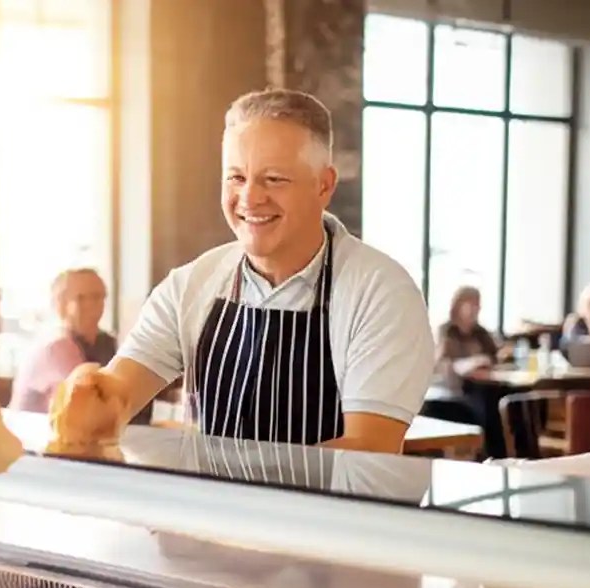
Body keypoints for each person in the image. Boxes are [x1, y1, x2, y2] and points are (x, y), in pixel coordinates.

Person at [87, 88, 434, 453]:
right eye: (236, 177)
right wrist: (91, 396)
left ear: (324, 185)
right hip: (216, 508)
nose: (250, 198)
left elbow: (368, 451)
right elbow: (117, 394)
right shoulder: (191, 285)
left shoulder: (381, 294)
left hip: (330, 510)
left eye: (274, 179)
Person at [10, 268, 150, 424]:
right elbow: (94, 401)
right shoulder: (57, 345)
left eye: (97, 297)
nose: (91, 305)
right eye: (81, 298)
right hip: (35, 440)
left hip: (77, 437)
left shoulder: (105, 341)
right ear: (61, 305)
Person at [434, 286, 499, 387]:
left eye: (477, 305)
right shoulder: (447, 331)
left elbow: (493, 357)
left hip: (482, 385)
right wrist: (471, 363)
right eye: (471, 305)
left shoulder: (481, 332)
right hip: (452, 387)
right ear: (458, 306)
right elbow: (442, 363)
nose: (476, 309)